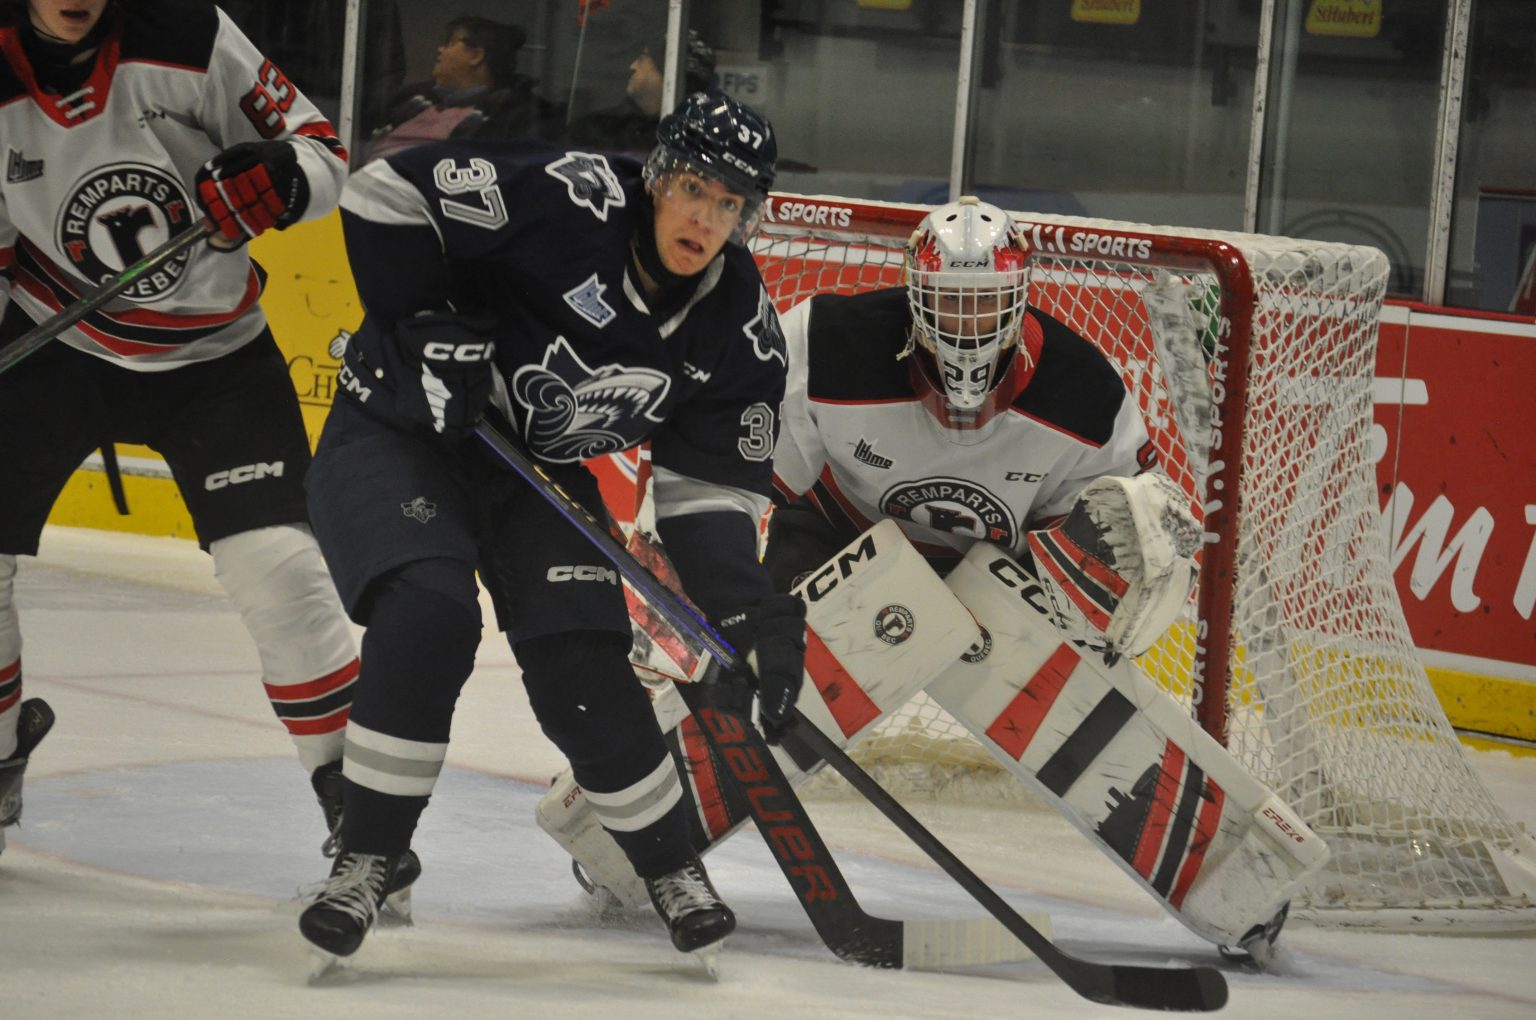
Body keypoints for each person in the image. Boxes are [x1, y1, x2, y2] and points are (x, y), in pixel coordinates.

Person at [297, 89, 802, 967]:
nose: (706, 217)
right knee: (431, 611)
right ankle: (367, 856)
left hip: (531, 468)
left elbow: (703, 498)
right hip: (399, 430)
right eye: (694, 188)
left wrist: (747, 614)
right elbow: (383, 194)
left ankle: (669, 867)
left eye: (730, 203)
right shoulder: (566, 196)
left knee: (582, 656)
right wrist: (425, 325)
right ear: (656, 176)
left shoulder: (741, 330)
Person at [0, 0, 418, 900]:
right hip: (52, 343)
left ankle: (360, 815)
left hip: (215, 358)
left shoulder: (184, 31)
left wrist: (283, 180)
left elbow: (322, 153)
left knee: (280, 573)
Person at [362, 15, 563, 166]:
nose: (440, 50)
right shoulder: (412, 99)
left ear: (476, 56)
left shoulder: (511, 114)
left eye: (450, 43)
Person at [568, 30, 717, 156]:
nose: (632, 66)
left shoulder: (695, 143)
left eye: (642, 59)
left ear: (668, 72)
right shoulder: (596, 129)